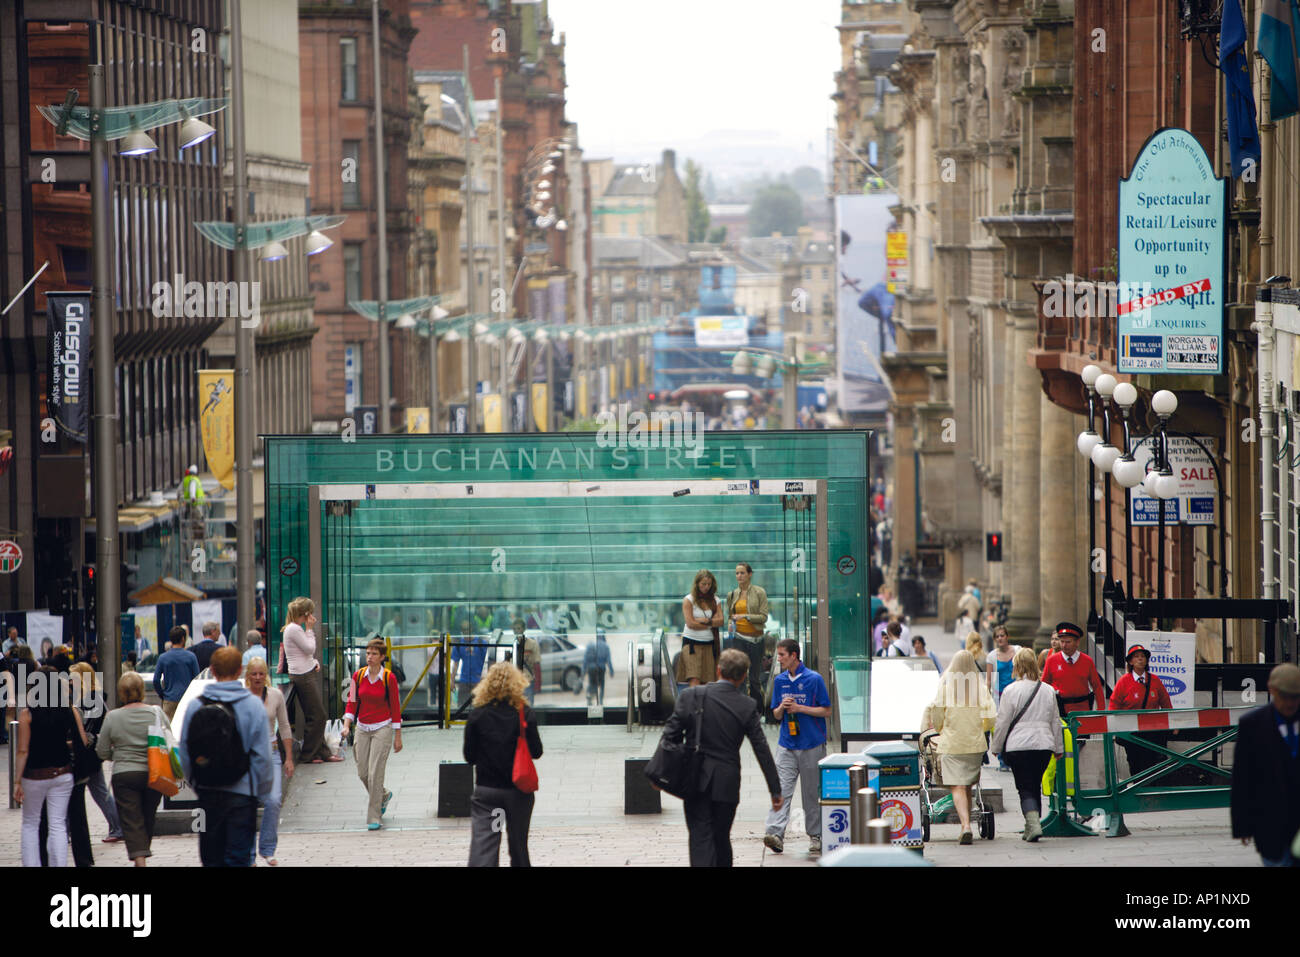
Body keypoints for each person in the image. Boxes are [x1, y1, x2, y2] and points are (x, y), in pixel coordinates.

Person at [658, 648, 782, 867]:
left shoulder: (691, 696)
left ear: (718, 670)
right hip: (727, 783)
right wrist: (775, 790)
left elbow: (670, 736)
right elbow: (761, 748)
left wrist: (661, 774)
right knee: (721, 837)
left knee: (700, 836)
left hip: (695, 780)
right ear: (744, 676)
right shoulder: (747, 705)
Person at [178, 647, 274, 867]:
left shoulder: (196, 705)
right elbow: (263, 756)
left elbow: (185, 751)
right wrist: (261, 791)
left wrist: (197, 783)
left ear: (212, 671)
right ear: (240, 670)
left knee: (212, 858)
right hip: (242, 794)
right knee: (238, 858)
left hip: (208, 793)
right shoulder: (252, 705)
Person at [463, 661, 542, 866]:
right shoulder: (524, 714)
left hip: (488, 794)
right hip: (517, 792)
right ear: (517, 683)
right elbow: (537, 751)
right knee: (518, 845)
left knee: (486, 844)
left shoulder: (477, 715)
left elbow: (469, 756)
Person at [15, 667, 90, 866]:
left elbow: (22, 750)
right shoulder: (69, 710)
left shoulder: (27, 715)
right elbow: (82, 740)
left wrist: (17, 781)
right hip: (63, 773)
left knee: (31, 823)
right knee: (58, 824)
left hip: (34, 774)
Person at [763, 639, 831, 855]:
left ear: (794, 655)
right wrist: (782, 707)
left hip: (811, 743)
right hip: (787, 744)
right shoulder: (780, 680)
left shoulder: (814, 679)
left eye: (782, 655)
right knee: (781, 789)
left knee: (811, 792)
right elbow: (774, 714)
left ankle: (816, 835)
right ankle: (775, 833)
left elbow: (826, 711)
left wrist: (800, 708)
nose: (779, 659)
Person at [922, 650, 996, 844]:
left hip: (952, 743)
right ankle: (966, 823)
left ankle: (965, 826)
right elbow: (990, 717)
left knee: (957, 786)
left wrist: (941, 729)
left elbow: (937, 715)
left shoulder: (946, 689)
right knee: (968, 785)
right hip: (974, 744)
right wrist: (980, 729)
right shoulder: (980, 689)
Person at [1231, 663, 1300, 866]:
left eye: (1295, 697)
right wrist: (1242, 825)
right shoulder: (1252, 724)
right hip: (1271, 825)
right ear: (1272, 690)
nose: (1290, 703)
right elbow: (1242, 777)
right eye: (1285, 696)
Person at [991, 647, 1062, 842]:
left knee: (1025, 787)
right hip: (1043, 745)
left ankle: (1032, 824)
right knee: (1034, 784)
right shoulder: (1047, 690)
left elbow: (1003, 722)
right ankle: (1032, 825)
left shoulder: (1010, 691)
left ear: (1017, 666)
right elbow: (1055, 720)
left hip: (1018, 746)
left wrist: (996, 747)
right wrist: (1058, 747)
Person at [96, 672, 164, 865]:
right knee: (147, 816)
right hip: (154, 772)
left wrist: (116, 755)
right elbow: (169, 739)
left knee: (131, 819)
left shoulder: (113, 717)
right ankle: (141, 855)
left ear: (121, 693)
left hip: (124, 774)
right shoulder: (156, 712)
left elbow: (101, 751)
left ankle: (139, 858)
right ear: (142, 690)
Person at [341, 638, 403, 831]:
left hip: (382, 728)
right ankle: (383, 795)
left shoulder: (389, 678)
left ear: (382, 657)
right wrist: (346, 725)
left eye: (374, 653)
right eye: (368, 653)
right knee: (363, 772)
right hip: (362, 727)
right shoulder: (358, 676)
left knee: (375, 773)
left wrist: (398, 735)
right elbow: (352, 701)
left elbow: (395, 706)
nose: (369, 657)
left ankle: (374, 816)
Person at [66, 663, 123, 857]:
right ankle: (116, 827)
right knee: (97, 792)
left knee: (94, 792)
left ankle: (117, 827)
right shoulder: (90, 698)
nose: (69, 681)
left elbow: (89, 729)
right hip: (91, 753)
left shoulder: (90, 700)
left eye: (72, 677)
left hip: (87, 753)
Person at [244, 657, 294, 864]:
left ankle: (267, 848)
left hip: (271, 752)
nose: (257, 678)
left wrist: (288, 757)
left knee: (273, 800)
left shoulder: (275, 695)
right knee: (246, 805)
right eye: (254, 674)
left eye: (261, 673)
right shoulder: (242, 696)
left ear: (266, 675)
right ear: (248, 675)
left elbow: (284, 726)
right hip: (247, 756)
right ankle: (247, 854)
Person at [282, 597, 339, 763]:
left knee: (314, 715)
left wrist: (313, 662)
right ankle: (308, 754)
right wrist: (310, 629)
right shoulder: (295, 629)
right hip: (303, 676)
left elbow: (304, 654)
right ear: (306, 614)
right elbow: (310, 648)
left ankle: (322, 752)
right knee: (318, 715)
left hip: (304, 672)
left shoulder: (293, 628)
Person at [1109, 643, 1173, 776]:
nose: (1140, 659)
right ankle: (1137, 791)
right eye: (1136, 656)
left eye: (1143, 656)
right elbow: (1114, 705)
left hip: (1152, 731)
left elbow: (1166, 702)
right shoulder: (1123, 682)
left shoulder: (1155, 680)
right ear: (1130, 661)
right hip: (1131, 732)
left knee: (1151, 762)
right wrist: (1114, 728)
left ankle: (1149, 792)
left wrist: (1173, 723)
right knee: (1134, 762)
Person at [724, 562, 769, 705]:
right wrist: (731, 624)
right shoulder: (732, 594)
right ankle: (741, 707)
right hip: (739, 638)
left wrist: (746, 616)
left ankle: (758, 709)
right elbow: (730, 616)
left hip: (756, 639)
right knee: (739, 675)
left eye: (742, 573)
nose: (739, 576)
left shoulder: (759, 592)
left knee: (755, 678)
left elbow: (763, 617)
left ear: (749, 574)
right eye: (737, 573)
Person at [1041, 621, 1106, 717]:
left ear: (1077, 642)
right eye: (1062, 641)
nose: (1064, 645)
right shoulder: (1051, 660)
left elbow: (1097, 686)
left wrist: (1101, 710)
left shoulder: (1087, 661)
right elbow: (1044, 685)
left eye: (1068, 642)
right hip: (1059, 710)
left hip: (1082, 710)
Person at [679, 570, 723, 687]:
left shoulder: (715, 600)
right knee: (694, 678)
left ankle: (706, 705)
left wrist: (705, 621)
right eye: (703, 584)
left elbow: (721, 621)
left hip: (710, 644)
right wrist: (711, 623)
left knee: (709, 680)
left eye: (709, 584)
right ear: (697, 584)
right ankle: (694, 705)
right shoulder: (689, 599)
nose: (706, 587)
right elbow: (690, 623)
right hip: (692, 644)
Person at [153, 626, 200, 720]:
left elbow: (156, 680)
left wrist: (163, 694)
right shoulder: (191, 657)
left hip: (169, 700)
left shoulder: (163, 657)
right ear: (183, 639)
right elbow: (197, 679)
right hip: (187, 700)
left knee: (169, 730)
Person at [451, 619, 488, 709]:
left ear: (471, 630)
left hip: (478, 681)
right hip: (464, 681)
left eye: (467, 630)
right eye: (463, 631)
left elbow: (487, 663)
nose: (465, 634)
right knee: (461, 707)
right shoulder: (459, 644)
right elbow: (455, 664)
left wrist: (485, 679)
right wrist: (452, 680)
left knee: (479, 707)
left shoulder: (481, 643)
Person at [510, 619, 541, 705]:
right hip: (514, 681)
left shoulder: (532, 644)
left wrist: (538, 684)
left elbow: (536, 664)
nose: (517, 631)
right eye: (515, 629)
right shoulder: (509, 644)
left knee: (529, 706)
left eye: (519, 628)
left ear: (523, 629)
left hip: (528, 680)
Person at [584, 628, 614, 706]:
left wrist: (583, 671)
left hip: (591, 668)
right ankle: (600, 700)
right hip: (601, 668)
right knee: (602, 684)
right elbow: (608, 660)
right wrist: (611, 670)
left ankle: (589, 697)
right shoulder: (605, 646)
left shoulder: (590, 645)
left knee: (592, 683)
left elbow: (585, 659)